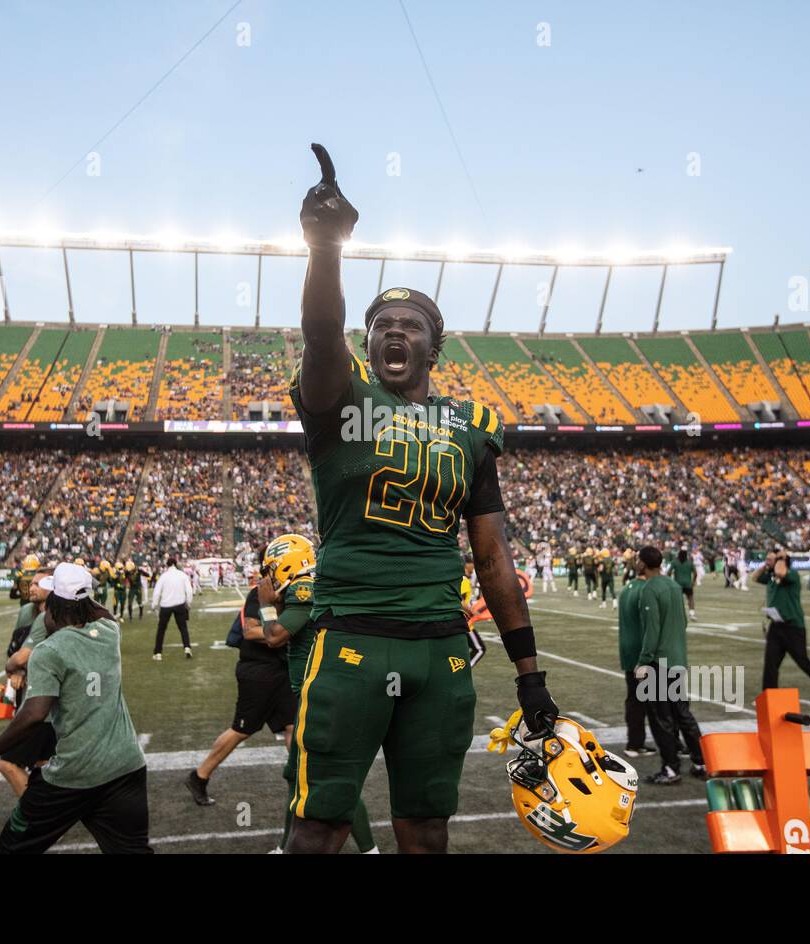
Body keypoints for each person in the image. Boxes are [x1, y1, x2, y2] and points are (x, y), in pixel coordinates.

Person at [286, 143, 558, 854]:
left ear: (434, 348)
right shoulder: (344, 402)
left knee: (428, 826)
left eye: (410, 326)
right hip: (351, 637)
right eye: (382, 327)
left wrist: (529, 673)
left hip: (441, 648)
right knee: (319, 825)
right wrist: (325, 247)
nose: (394, 333)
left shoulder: (470, 427)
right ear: (368, 345)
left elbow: (492, 558)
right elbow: (321, 333)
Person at [0, 562, 151, 854]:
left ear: (54, 603)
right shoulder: (109, 632)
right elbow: (102, 612)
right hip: (126, 766)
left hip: (75, 772)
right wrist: (82, 595)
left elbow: (34, 714)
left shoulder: (49, 651)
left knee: (12, 846)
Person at [254, 535, 378, 853]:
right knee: (297, 777)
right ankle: (285, 847)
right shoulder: (306, 585)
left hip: (322, 696)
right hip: (317, 693)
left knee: (331, 780)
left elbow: (275, 636)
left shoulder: (303, 588)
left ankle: (370, 850)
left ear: (288, 563)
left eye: (272, 568)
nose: (269, 576)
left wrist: (266, 606)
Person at [185, 559, 298, 812]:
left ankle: (299, 782)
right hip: (258, 671)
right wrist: (283, 633)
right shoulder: (261, 592)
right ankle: (199, 776)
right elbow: (250, 631)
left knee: (293, 725)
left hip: (280, 670)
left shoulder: (289, 592)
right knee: (242, 729)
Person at [634, 546, 704, 784]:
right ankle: (701, 761)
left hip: (659, 662)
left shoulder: (649, 589)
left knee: (661, 718)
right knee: (683, 713)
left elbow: (651, 629)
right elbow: (683, 621)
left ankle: (671, 768)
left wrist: (644, 661)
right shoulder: (673, 586)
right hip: (677, 658)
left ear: (643, 563)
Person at [0, 568, 58, 797]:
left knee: (8, 763)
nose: (31, 587)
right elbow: (15, 647)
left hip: (40, 704)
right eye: (31, 583)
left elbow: (21, 656)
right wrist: (18, 670)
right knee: (43, 765)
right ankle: (52, 810)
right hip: (40, 699)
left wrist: (13, 666)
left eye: (37, 584)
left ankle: (38, 813)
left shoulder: (50, 616)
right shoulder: (27, 612)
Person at [753, 549, 810, 704]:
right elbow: (755, 577)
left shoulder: (792, 575)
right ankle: (768, 696)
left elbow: (780, 572)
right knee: (770, 663)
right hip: (776, 626)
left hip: (793, 627)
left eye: (770, 559)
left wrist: (781, 559)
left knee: (803, 662)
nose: (767, 561)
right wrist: (766, 565)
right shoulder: (770, 577)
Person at [616, 556, 655, 760]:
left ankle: (635, 742)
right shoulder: (645, 590)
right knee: (652, 701)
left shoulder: (626, 589)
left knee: (634, 699)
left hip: (627, 650)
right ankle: (638, 742)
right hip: (642, 652)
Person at [150, 557, 194, 660]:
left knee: (161, 630)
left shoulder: (164, 576)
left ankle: (158, 652)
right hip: (179, 604)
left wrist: (154, 604)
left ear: (167, 565)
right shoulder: (182, 575)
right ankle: (187, 647)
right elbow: (189, 591)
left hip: (166, 605)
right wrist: (188, 603)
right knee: (183, 628)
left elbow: (157, 592)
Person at [672, 548, 697, 619]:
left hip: (677, 584)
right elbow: (695, 573)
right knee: (690, 598)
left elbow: (668, 572)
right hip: (688, 583)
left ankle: (677, 614)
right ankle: (692, 614)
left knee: (677, 599)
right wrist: (693, 581)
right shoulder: (690, 562)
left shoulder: (675, 562)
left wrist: (670, 581)